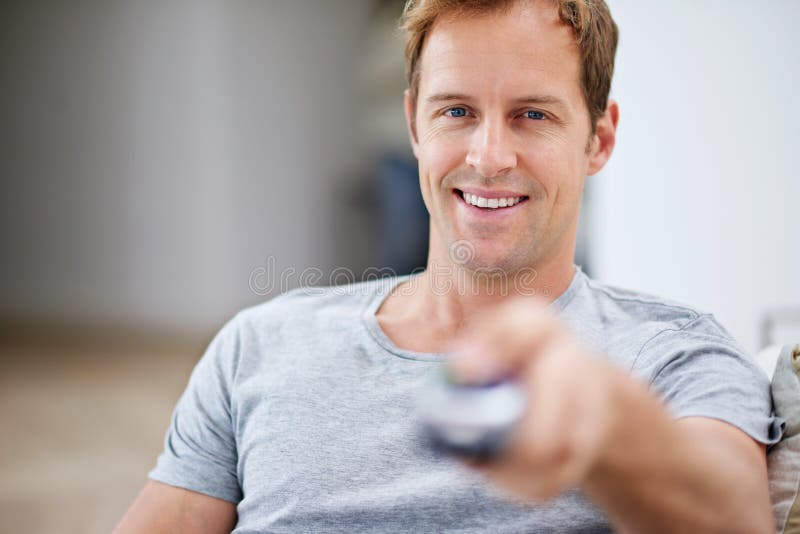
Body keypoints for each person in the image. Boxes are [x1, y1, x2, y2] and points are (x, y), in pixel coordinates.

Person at [115, 0, 782, 532]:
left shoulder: (674, 355)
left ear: (599, 139)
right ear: (414, 124)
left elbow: (735, 519)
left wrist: (606, 421)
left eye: (531, 115)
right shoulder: (258, 345)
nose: (489, 155)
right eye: (456, 111)